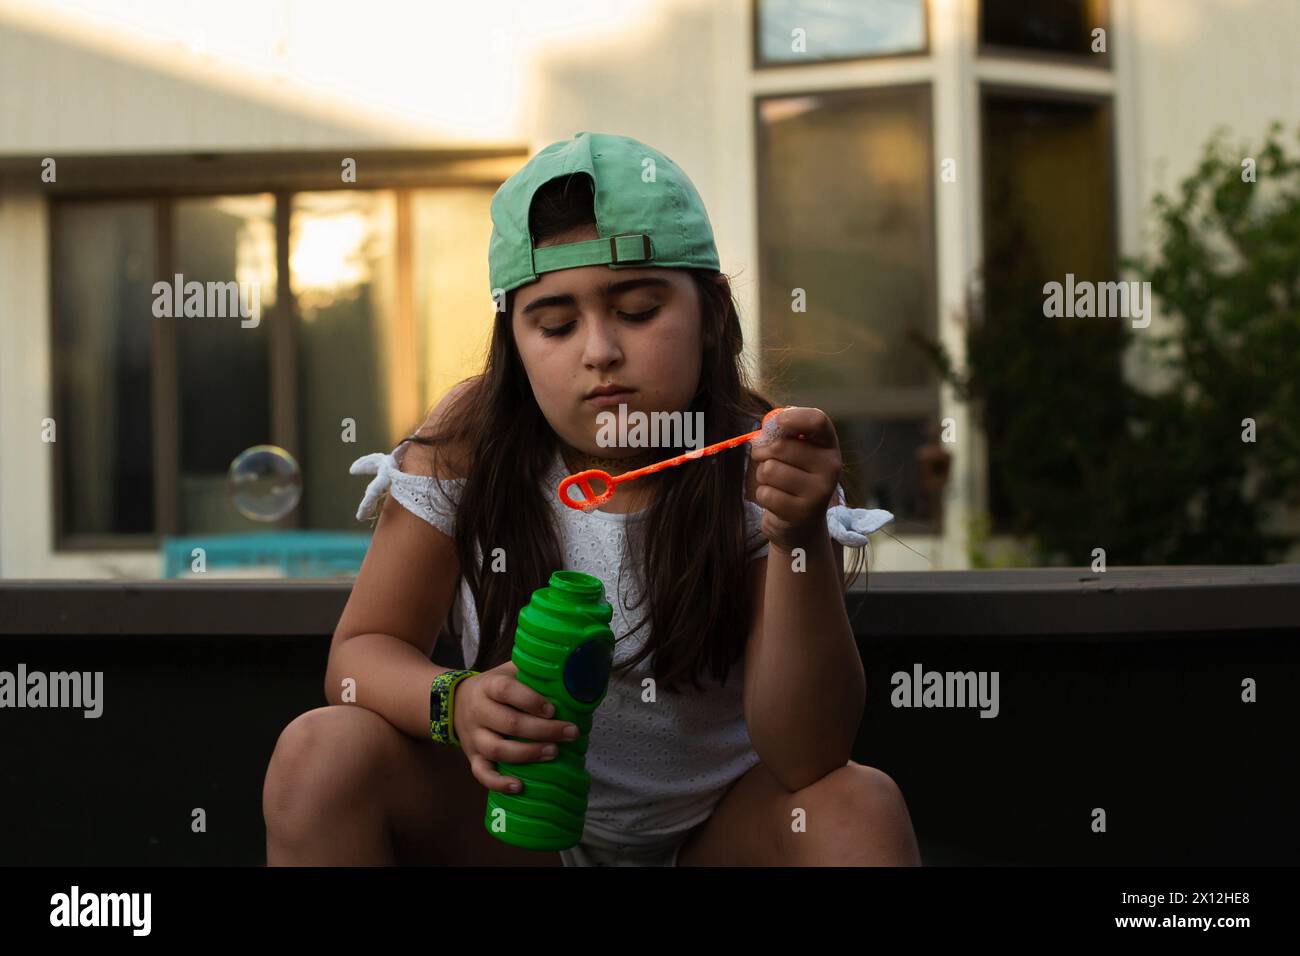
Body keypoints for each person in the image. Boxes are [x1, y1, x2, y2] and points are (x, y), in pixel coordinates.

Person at [262, 131, 921, 867]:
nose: (599, 350)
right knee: (320, 751)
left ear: (711, 314)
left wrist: (798, 537)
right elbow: (359, 656)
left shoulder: (767, 474)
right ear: (513, 337)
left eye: (638, 311)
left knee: (856, 806)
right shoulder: (463, 457)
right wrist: (456, 702)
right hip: (512, 827)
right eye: (555, 324)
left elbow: (808, 757)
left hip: (716, 839)